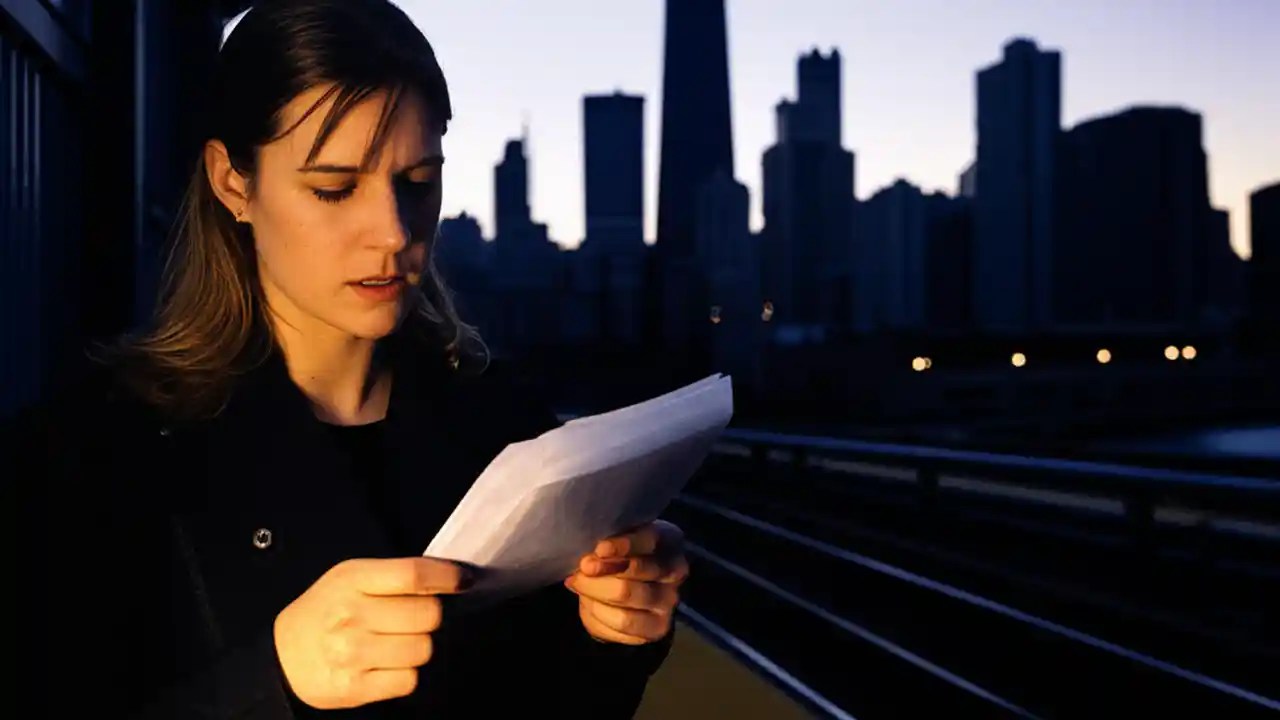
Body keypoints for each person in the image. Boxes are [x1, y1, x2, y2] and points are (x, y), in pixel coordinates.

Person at [5, 0, 686, 716]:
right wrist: (271, 681)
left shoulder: (508, 430)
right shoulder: (91, 456)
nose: (393, 231)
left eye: (417, 181)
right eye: (334, 189)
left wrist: (615, 632)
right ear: (233, 182)